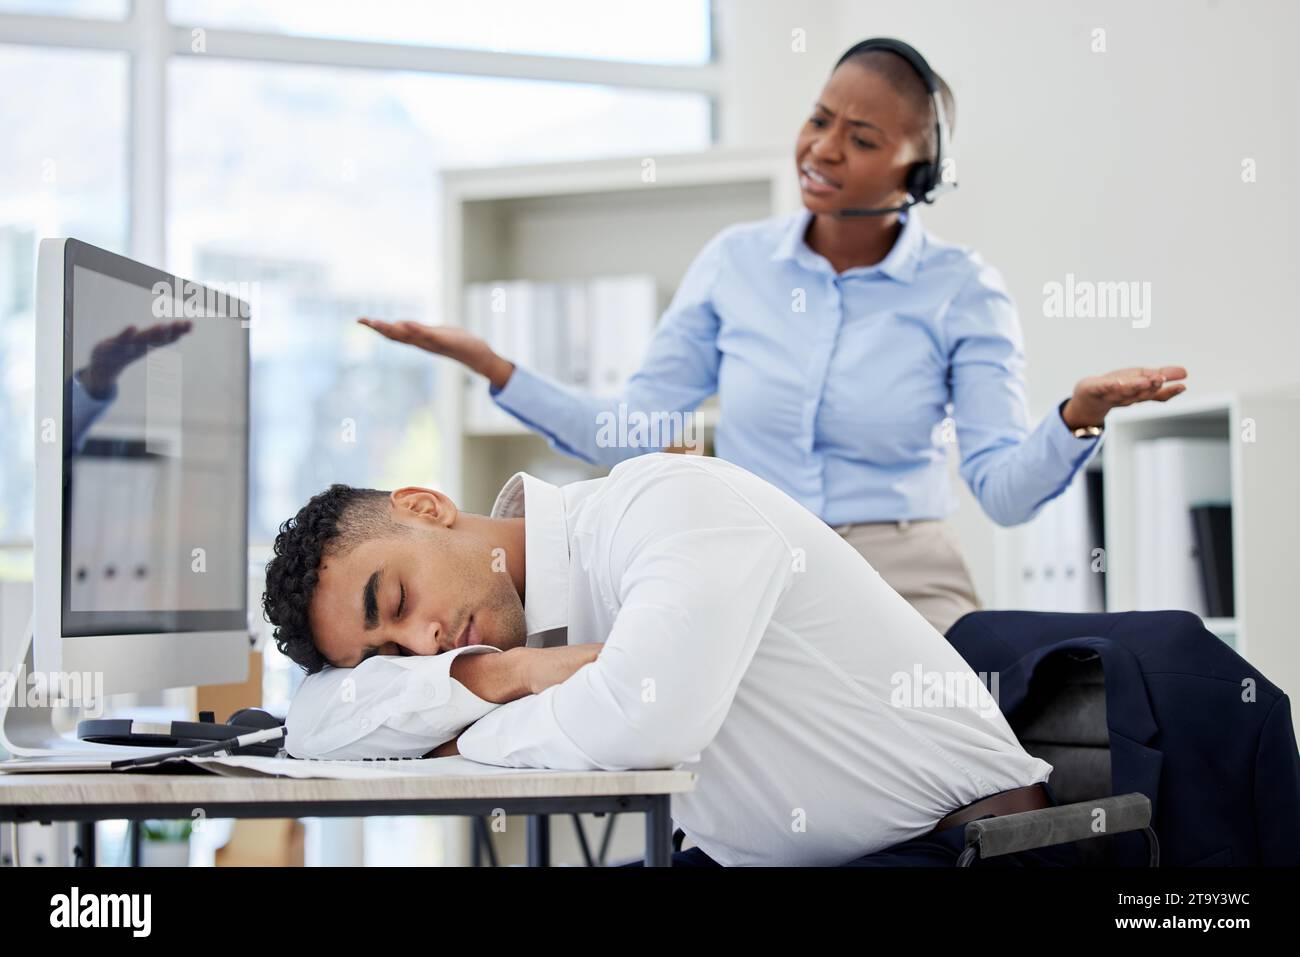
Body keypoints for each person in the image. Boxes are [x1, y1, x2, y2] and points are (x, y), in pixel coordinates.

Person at [357, 38, 1186, 636]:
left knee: (933, 770)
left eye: (862, 140)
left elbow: (1002, 490)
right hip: (756, 561)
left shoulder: (963, 292)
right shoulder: (736, 263)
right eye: (820, 120)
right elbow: (632, 432)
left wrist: (1077, 413)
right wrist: (492, 365)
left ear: (916, 175)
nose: (823, 149)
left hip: (904, 580)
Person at [265, 452, 1075, 866]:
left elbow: (643, 717)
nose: (422, 646)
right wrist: (492, 678)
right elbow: (313, 725)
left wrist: (464, 734)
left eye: (397, 603)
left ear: (424, 507)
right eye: (387, 657)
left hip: (968, 851)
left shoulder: (659, 503)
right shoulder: (511, 644)